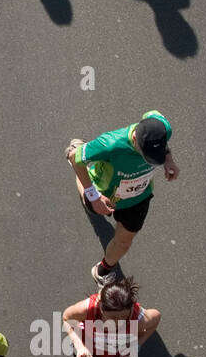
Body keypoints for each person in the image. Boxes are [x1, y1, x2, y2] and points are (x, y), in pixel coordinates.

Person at [67, 110, 180, 286]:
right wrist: (94, 196)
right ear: (135, 139)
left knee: (124, 242)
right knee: (82, 176)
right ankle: (82, 151)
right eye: (147, 156)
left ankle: (103, 270)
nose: (150, 161)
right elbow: (75, 160)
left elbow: (152, 115)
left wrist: (168, 160)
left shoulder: (161, 127)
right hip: (104, 192)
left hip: (138, 197)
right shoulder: (111, 144)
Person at [62, 277, 160, 357]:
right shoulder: (87, 308)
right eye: (113, 317)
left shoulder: (138, 317)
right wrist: (79, 346)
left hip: (120, 352)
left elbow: (156, 319)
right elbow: (66, 319)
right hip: (89, 348)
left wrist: (137, 345)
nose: (119, 322)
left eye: (124, 317)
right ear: (102, 308)